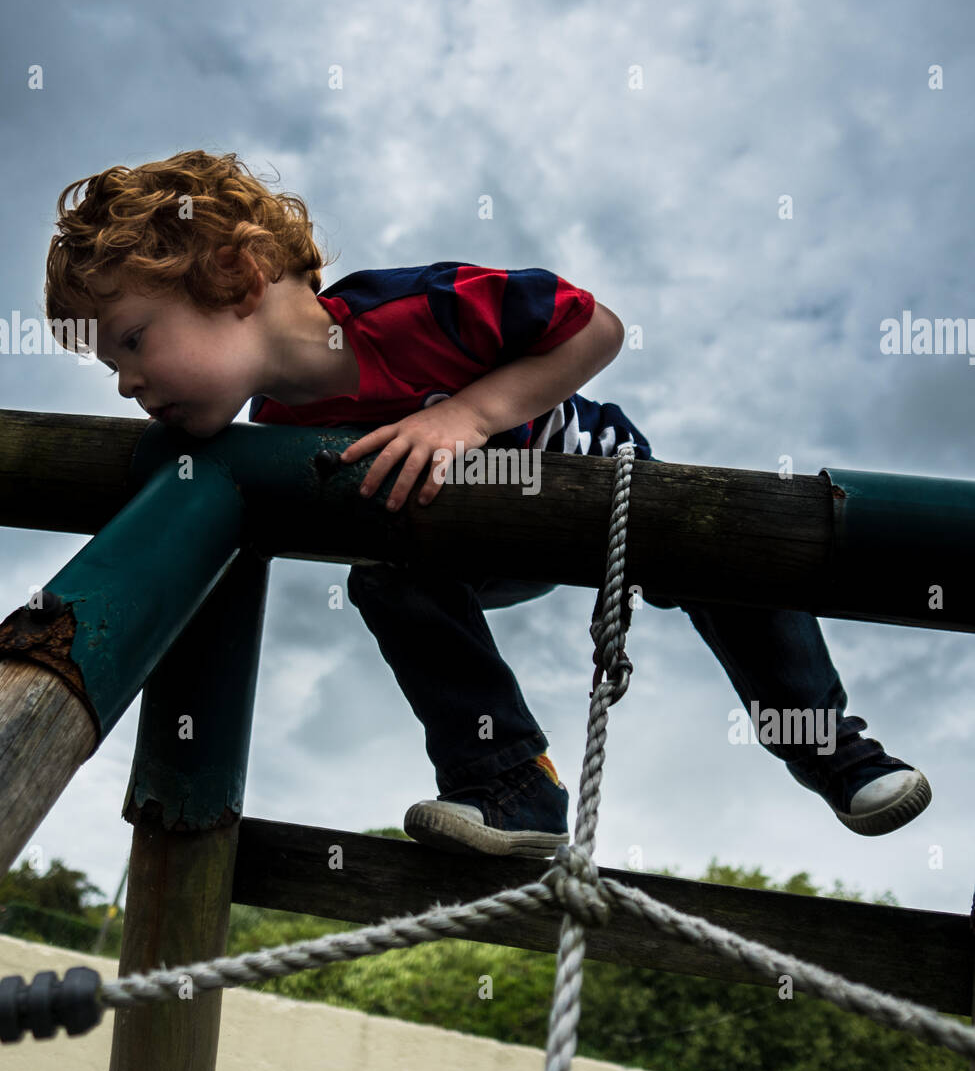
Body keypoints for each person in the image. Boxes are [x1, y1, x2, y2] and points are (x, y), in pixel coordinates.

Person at [44, 149, 931, 857]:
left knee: (728, 552)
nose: (125, 383)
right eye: (110, 365)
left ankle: (836, 755)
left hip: (592, 484)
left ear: (237, 280)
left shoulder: (412, 311)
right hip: (468, 547)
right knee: (386, 585)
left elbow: (594, 324)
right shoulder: (275, 434)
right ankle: (511, 786)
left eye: (131, 341)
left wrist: (470, 413)